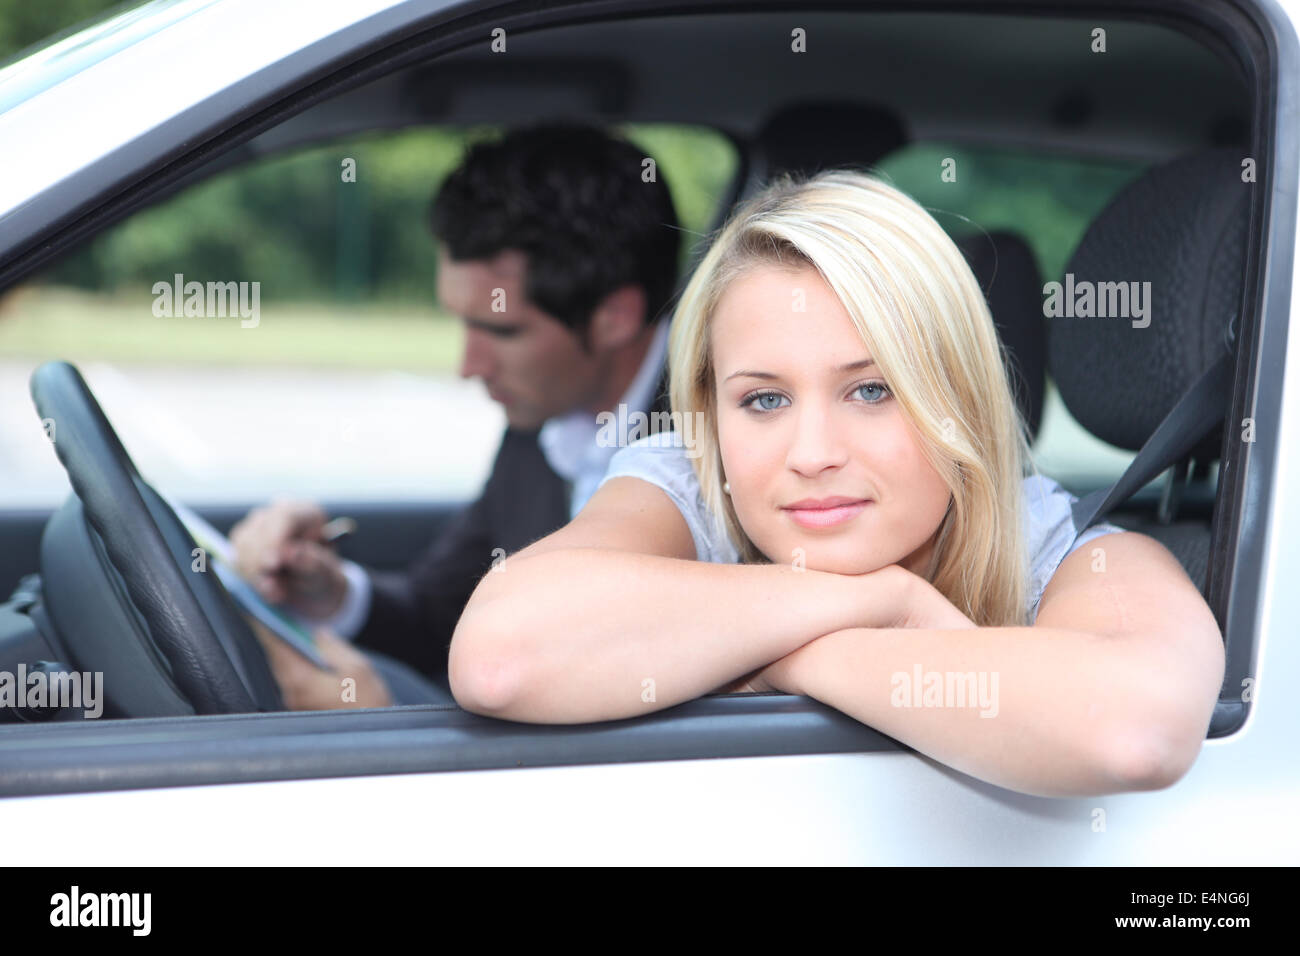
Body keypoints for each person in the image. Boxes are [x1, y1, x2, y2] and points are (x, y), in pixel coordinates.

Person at [446, 168, 1226, 798]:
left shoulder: (1066, 550)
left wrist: (782, 657)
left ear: (956, 398)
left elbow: (1136, 732)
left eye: (871, 390)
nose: (812, 453)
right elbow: (500, 658)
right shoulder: (697, 483)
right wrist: (886, 604)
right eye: (764, 400)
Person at [231, 122, 681, 708]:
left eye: (501, 330)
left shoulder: (724, 439)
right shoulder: (545, 418)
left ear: (615, 317)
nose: (468, 366)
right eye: (463, 323)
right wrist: (331, 593)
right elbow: (441, 613)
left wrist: (380, 723)